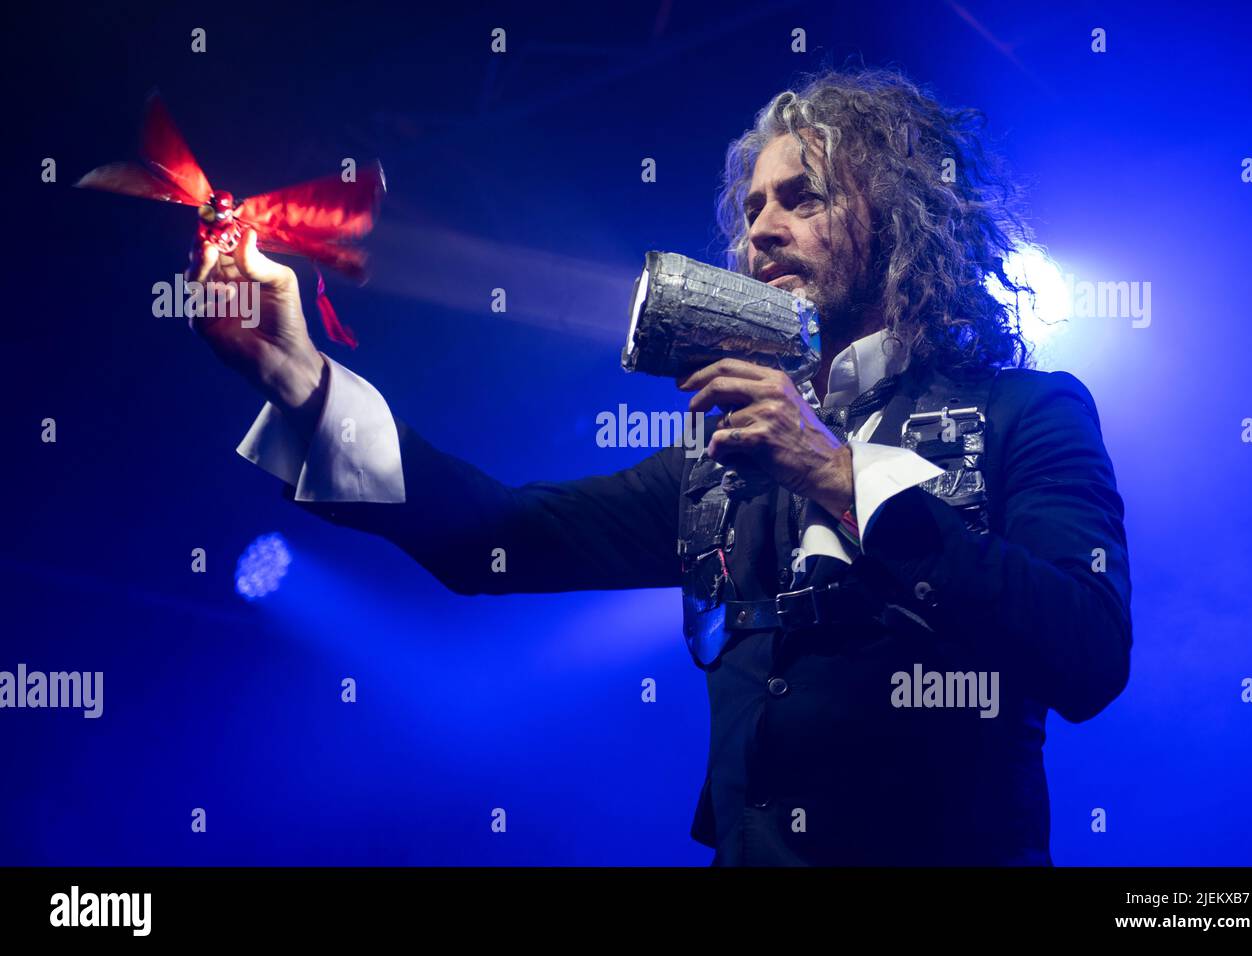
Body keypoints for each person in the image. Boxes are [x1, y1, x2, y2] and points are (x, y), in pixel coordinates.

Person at [185, 68, 1132, 865]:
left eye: (803, 197)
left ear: (900, 219)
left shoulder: (1027, 411)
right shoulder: (723, 459)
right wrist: (299, 376)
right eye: (753, 206)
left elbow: (1087, 653)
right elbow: (498, 540)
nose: (761, 230)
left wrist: (840, 475)